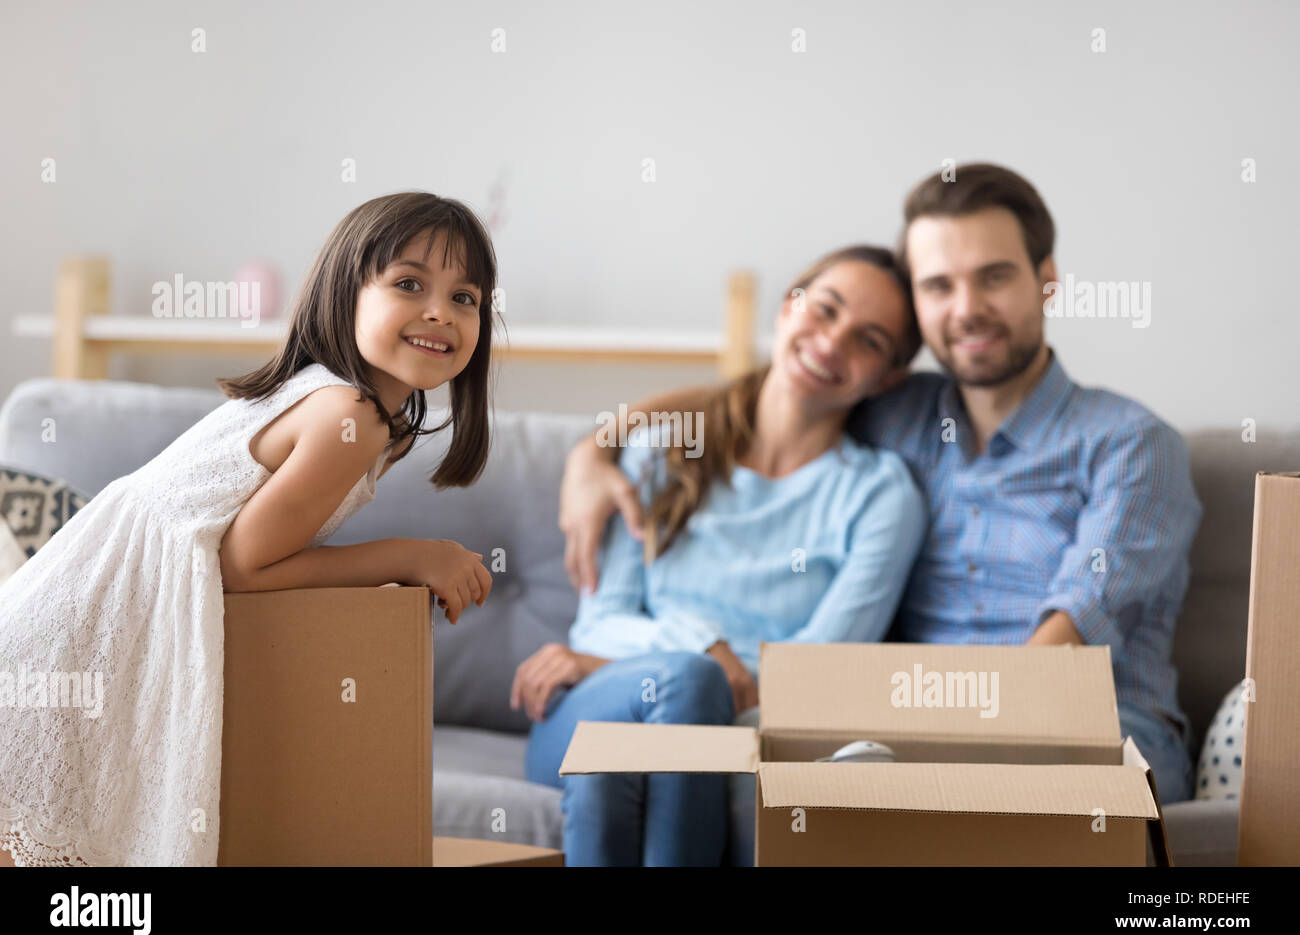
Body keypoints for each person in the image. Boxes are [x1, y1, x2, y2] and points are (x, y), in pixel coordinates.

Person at [559, 163, 1202, 813]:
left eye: (995, 277)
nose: (967, 308)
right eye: (938, 285)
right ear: (919, 314)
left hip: (1088, 733)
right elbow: (763, 396)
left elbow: (1060, 654)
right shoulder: (903, 411)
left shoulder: (1131, 444)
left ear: (1047, 280)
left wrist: (929, 743)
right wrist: (597, 448)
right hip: (918, 736)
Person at [0, 191, 497, 866]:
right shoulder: (347, 416)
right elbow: (244, 567)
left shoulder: (368, 416)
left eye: (465, 297)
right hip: (78, 627)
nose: (441, 312)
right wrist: (411, 556)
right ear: (344, 294)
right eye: (409, 284)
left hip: (92, 615)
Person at [514, 245, 928, 865]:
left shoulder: (880, 495)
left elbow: (817, 675)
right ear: (789, 308)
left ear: (888, 377)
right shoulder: (661, 451)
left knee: (608, 772)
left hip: (723, 733)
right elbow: (600, 621)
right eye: (825, 310)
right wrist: (707, 647)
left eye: (867, 340)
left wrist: (681, 669)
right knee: (685, 680)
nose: (832, 341)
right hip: (605, 701)